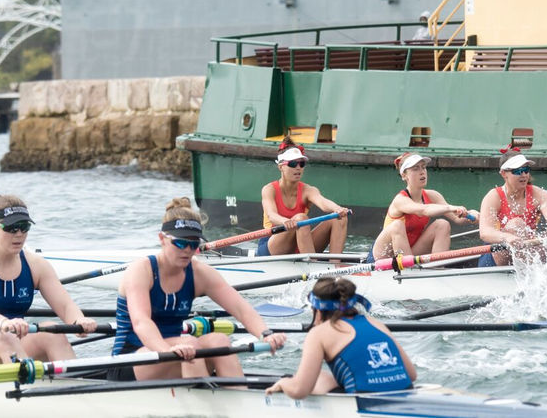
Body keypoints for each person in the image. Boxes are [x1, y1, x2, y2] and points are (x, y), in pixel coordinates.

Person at [113, 197, 287, 380]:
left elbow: (242, 309)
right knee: (190, 344)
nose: (187, 250)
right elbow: (141, 322)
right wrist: (169, 350)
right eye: (180, 243)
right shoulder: (141, 270)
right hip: (131, 360)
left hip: (180, 351)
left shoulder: (199, 273)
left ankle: (236, 394)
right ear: (162, 239)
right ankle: (202, 404)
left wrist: (266, 334)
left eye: (194, 244)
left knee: (219, 340)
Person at [0, 194, 97, 369]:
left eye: (24, 227)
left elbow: (65, 306)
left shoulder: (36, 264)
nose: (19, 234)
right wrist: (3, 323)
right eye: (11, 228)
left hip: (15, 344)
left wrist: (79, 321)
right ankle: (28, 386)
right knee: (5, 337)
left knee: (51, 331)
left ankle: (77, 384)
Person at [264, 277, 415, 398]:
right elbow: (411, 375)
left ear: (318, 311)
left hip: (365, 404)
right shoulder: (376, 323)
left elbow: (299, 391)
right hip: (406, 392)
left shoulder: (318, 333)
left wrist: (284, 383)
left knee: (312, 378)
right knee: (324, 377)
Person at [478, 151, 547, 267]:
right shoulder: (493, 197)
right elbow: (485, 232)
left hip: (528, 249)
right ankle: (531, 276)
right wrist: (507, 237)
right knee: (516, 224)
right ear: (503, 174)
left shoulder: (539, 194)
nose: (523, 175)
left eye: (526, 170)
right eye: (517, 171)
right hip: (498, 254)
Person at [371, 152, 475, 260]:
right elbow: (424, 210)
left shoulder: (432, 195)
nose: (422, 172)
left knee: (442, 224)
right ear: (404, 175)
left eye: (423, 167)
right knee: (397, 225)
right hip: (384, 257)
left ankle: (437, 269)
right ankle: (408, 270)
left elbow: (457, 219)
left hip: (409, 252)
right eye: (415, 169)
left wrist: (474, 216)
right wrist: (450, 208)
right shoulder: (400, 200)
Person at [258, 138, 350, 256]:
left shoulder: (308, 190)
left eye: (301, 163)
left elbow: (322, 202)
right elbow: (271, 215)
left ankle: (335, 267)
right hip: (272, 245)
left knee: (339, 218)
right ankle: (311, 266)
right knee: (301, 218)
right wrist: (286, 221)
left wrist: (338, 209)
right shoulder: (269, 189)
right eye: (292, 164)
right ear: (281, 167)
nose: (298, 168)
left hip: (300, 242)